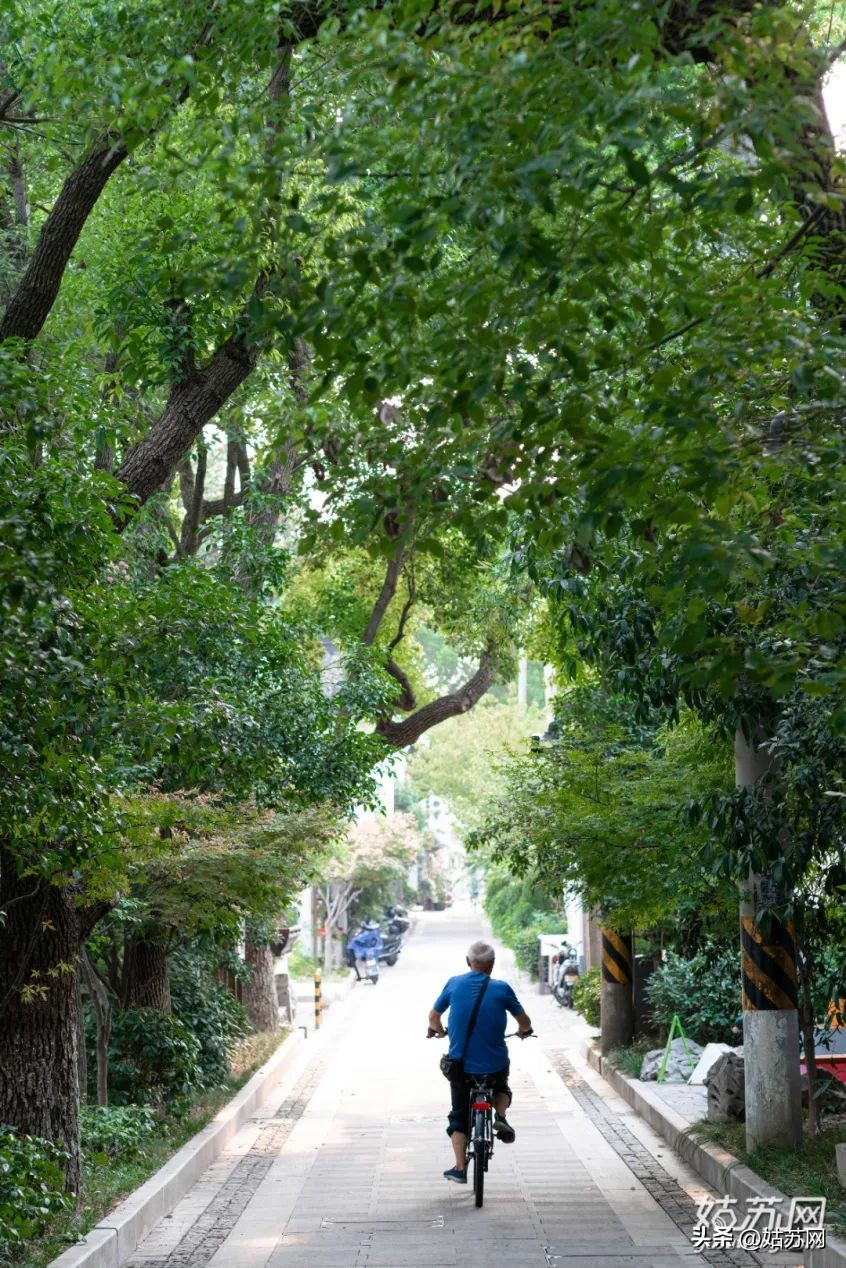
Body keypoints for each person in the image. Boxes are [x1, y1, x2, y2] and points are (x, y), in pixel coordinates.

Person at [427, 939, 532, 1184]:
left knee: (459, 1114)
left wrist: (439, 1030)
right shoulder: (502, 988)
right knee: (501, 1085)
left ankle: (460, 1167)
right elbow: (524, 1021)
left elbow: (434, 1016)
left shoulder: (454, 983)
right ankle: (501, 1116)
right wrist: (524, 1030)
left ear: (468, 962)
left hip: (460, 1065)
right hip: (494, 1063)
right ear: (492, 964)